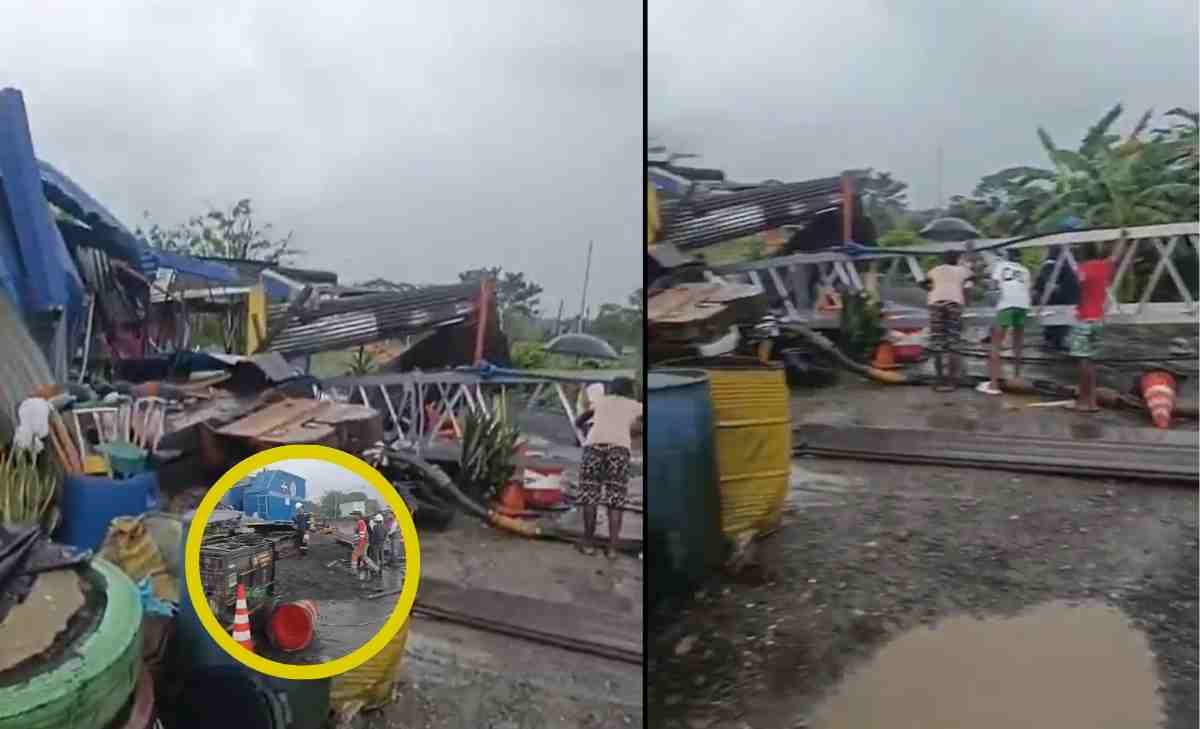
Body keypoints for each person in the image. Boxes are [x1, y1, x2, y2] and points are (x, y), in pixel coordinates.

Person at [572, 377, 643, 559]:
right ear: (630, 390)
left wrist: (590, 427)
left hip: (593, 447)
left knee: (589, 495)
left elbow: (579, 421)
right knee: (615, 498)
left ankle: (588, 544)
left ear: (611, 389)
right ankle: (612, 549)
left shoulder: (600, 401)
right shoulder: (636, 405)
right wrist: (630, 430)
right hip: (619, 450)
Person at [1070, 231, 1128, 412]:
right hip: (1099, 319)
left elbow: (1076, 287)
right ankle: (1093, 402)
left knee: (1083, 361)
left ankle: (1082, 401)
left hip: (1085, 318)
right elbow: (1116, 256)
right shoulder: (1104, 267)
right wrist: (1123, 237)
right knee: (1091, 361)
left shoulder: (1082, 269)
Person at [977, 249, 1032, 395]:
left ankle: (993, 385)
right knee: (1017, 344)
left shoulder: (1001, 266)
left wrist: (984, 286)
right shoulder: (1025, 270)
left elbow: (993, 286)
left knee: (995, 344)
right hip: (1023, 305)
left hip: (1006, 304)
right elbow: (1026, 289)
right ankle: (1017, 377)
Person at [921, 251, 975, 392]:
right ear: (957, 259)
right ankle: (951, 382)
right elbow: (974, 278)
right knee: (953, 342)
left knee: (937, 342)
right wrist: (963, 288)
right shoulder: (962, 270)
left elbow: (922, 283)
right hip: (954, 303)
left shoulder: (934, 270)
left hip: (936, 303)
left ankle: (939, 380)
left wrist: (932, 290)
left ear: (942, 260)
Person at [1032, 246, 1080, 351]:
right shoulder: (1067, 266)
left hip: (1058, 299)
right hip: (1065, 299)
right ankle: (1056, 341)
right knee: (1059, 321)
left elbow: (1043, 285)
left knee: (1054, 319)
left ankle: (1053, 341)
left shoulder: (1050, 265)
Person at [351, 511, 368, 577]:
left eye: (354, 515)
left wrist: (359, 544)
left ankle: (354, 570)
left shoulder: (360, 522)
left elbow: (362, 534)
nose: (353, 516)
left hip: (360, 543)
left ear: (358, 515)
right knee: (364, 557)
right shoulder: (360, 522)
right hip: (360, 543)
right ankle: (376, 569)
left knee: (354, 555)